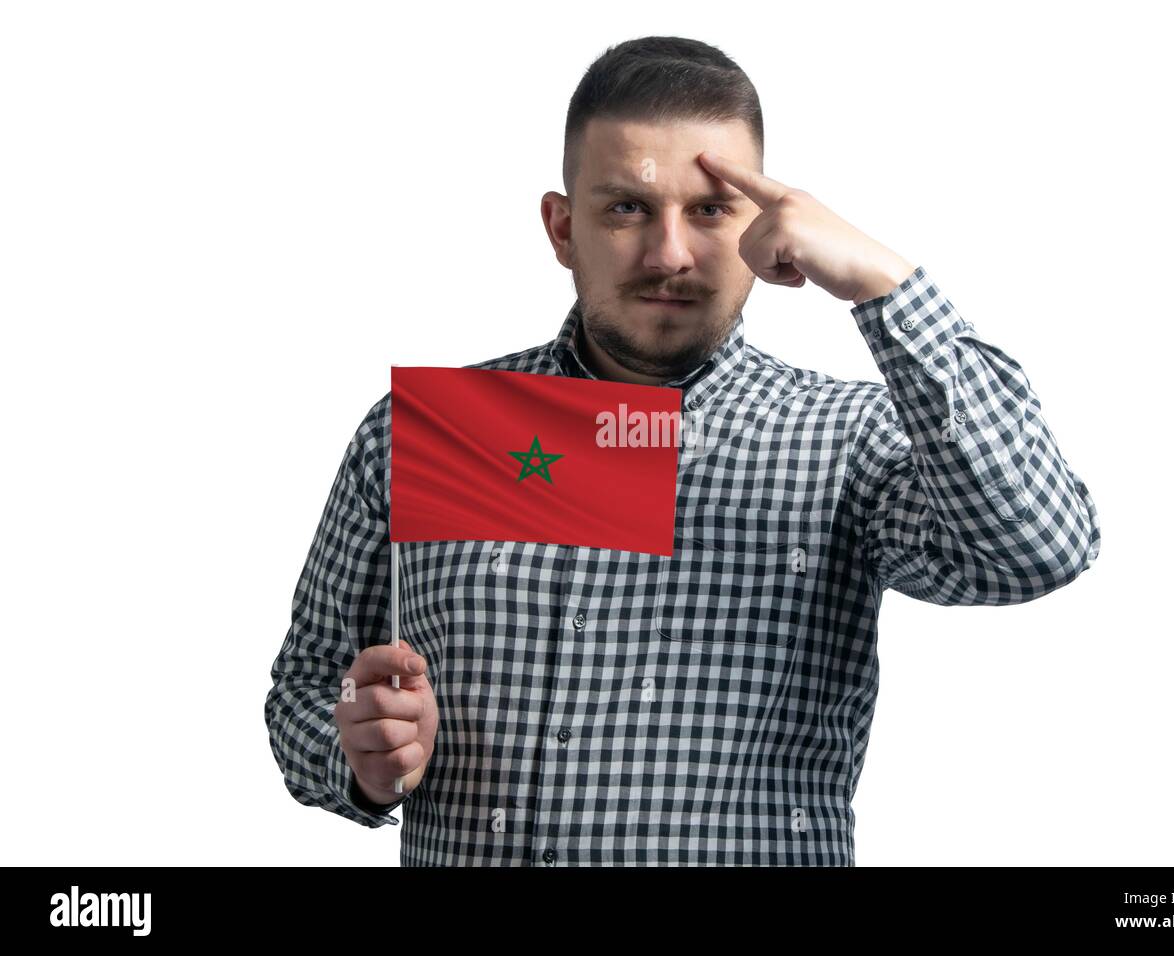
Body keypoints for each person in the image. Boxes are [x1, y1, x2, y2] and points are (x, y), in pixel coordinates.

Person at [264, 35, 1101, 866]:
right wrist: (361, 754)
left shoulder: (850, 442)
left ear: (767, 226)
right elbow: (306, 690)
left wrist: (882, 284)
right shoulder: (428, 434)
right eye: (627, 207)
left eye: (710, 210)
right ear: (561, 228)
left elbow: (1039, 550)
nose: (670, 253)